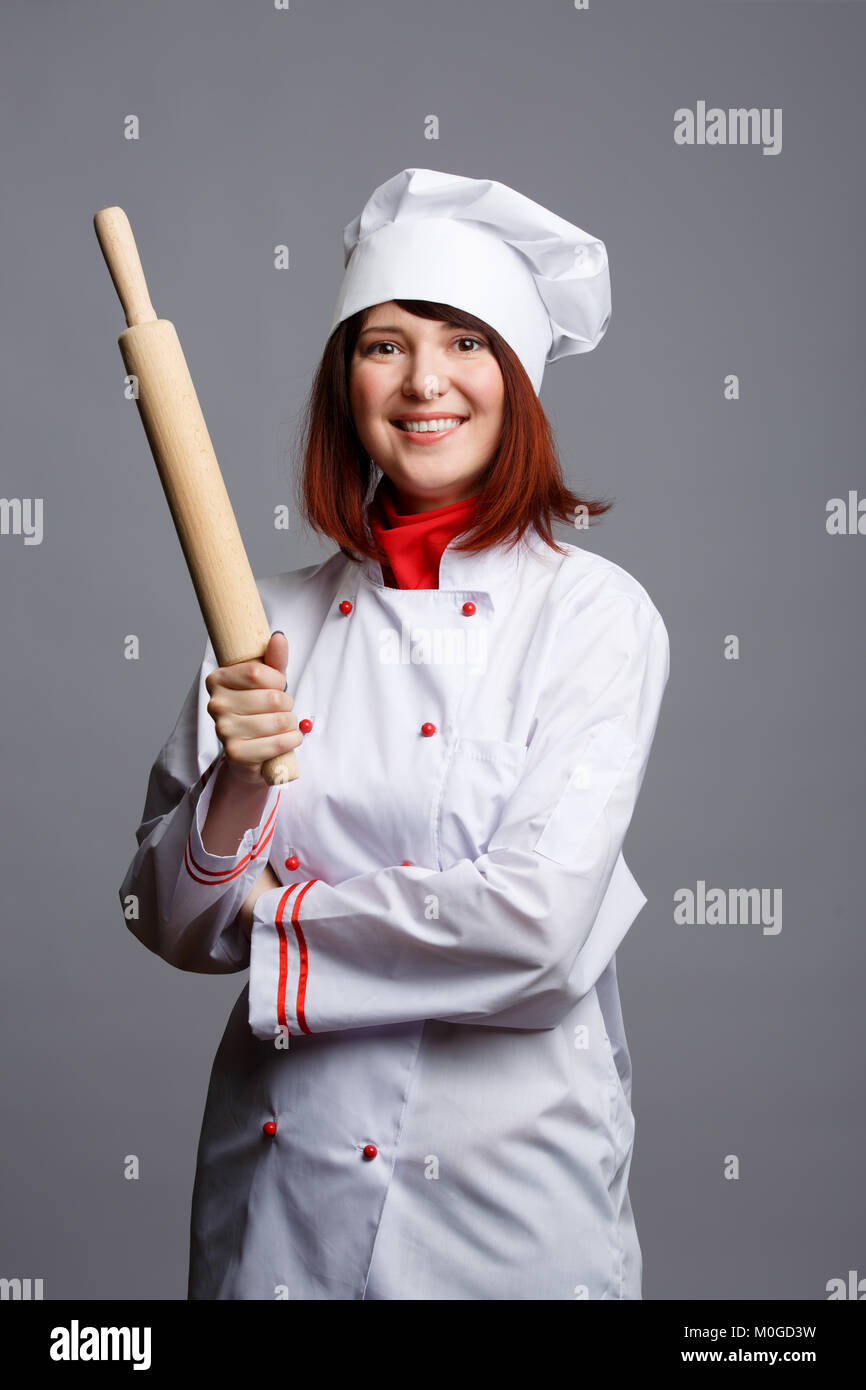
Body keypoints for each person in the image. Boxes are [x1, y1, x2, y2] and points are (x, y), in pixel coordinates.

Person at [119, 167, 671, 1301]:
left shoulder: (591, 615)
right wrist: (233, 786)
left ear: (514, 379)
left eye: (464, 342)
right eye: (382, 345)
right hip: (280, 1196)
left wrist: (273, 922)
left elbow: (535, 924)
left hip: (509, 1205)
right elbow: (165, 920)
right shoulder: (261, 619)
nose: (425, 381)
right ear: (344, 382)